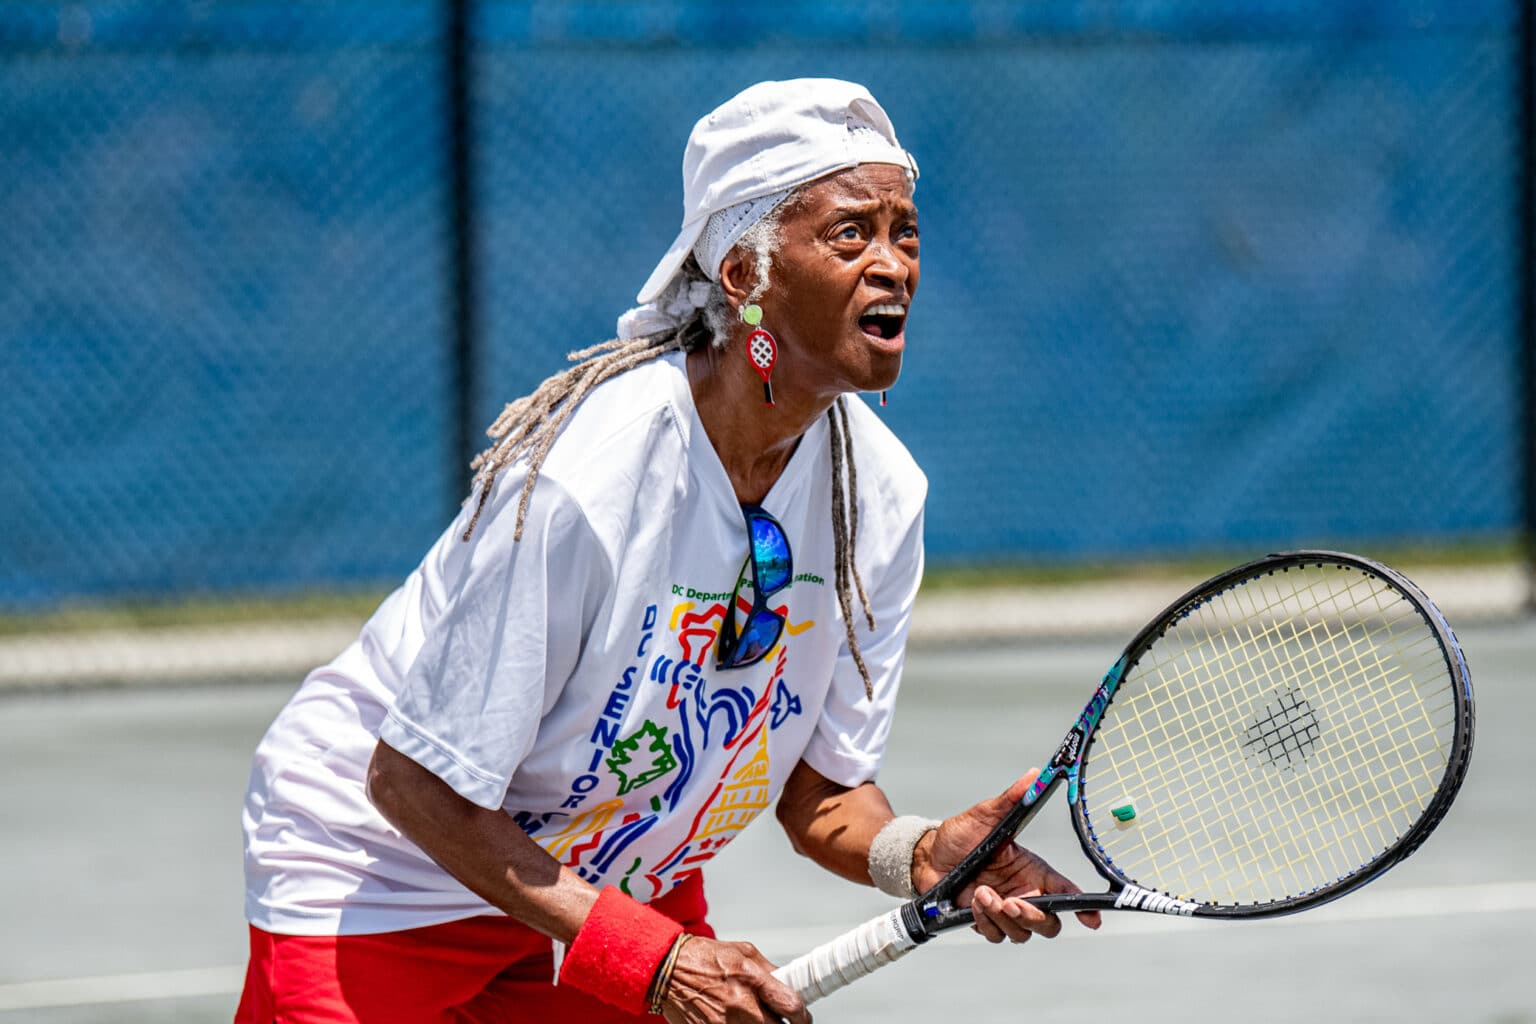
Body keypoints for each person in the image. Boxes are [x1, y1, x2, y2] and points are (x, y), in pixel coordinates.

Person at [237, 78, 1099, 1024]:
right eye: (851, 234)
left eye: (907, 234)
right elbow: (412, 782)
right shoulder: (591, 481)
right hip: (385, 872)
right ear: (745, 274)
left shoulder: (880, 498)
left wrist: (921, 854)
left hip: (608, 867)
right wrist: (649, 959)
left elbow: (821, 795)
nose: (892, 265)